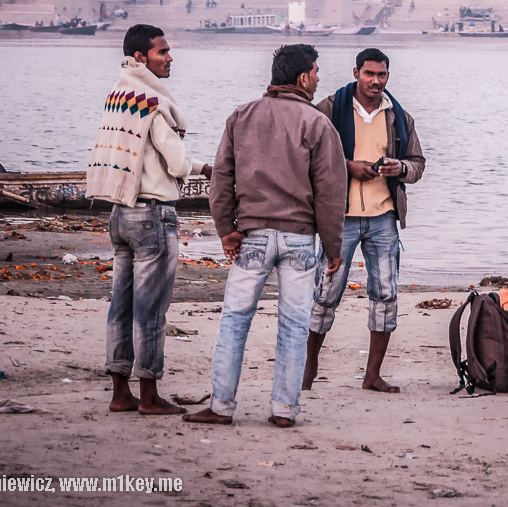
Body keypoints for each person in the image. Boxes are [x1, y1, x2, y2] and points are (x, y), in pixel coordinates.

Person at [182, 45, 347, 428]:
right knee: (293, 324)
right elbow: (330, 191)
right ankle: (284, 410)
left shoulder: (241, 116)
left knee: (235, 321)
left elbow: (221, 180)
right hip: (300, 239)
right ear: (303, 78)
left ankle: (221, 406)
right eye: (317, 72)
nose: (320, 78)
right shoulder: (318, 124)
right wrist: (333, 246)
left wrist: (226, 230)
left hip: (252, 236)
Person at [86, 24, 212, 416]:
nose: (170, 57)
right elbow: (176, 162)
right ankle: (150, 395)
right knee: (151, 311)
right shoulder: (153, 102)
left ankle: (120, 392)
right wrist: (205, 167)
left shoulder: (117, 94)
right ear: (141, 57)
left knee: (120, 307)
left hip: (119, 212)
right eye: (163, 52)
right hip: (152, 216)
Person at [303, 48, 426, 394]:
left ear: (388, 76)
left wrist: (400, 169)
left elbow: (417, 163)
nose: (375, 81)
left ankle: (372, 376)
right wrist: (348, 166)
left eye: (382, 75)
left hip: (383, 218)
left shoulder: (399, 116)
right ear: (355, 72)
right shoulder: (328, 109)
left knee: (385, 295)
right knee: (325, 294)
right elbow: (307, 157)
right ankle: (308, 367)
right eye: (369, 74)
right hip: (338, 218)